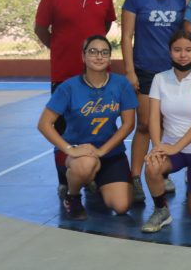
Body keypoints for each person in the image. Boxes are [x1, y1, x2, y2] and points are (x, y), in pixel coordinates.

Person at [34, 0, 116, 195]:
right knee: (63, 129)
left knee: (93, 125)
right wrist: (60, 49)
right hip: (64, 74)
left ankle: (92, 172)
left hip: (96, 77)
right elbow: (40, 29)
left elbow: (105, 26)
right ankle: (64, 179)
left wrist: (93, 56)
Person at [36, 35, 137, 219]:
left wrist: (102, 150)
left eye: (104, 52)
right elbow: (44, 124)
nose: (99, 56)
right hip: (80, 153)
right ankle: (73, 197)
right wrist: (70, 150)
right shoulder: (68, 87)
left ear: (109, 58)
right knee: (85, 165)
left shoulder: (121, 84)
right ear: (83, 57)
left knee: (122, 206)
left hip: (111, 153)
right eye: (93, 52)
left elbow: (129, 124)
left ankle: (96, 181)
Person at [121, 0, 187, 202]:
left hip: (172, 72)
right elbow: (126, 37)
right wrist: (129, 71)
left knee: (167, 125)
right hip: (145, 70)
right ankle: (135, 177)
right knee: (146, 124)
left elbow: (184, 37)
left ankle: (162, 171)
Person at [141, 29, 191, 233]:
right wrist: (157, 146)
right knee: (152, 166)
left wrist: (176, 147)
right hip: (172, 148)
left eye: (188, 50)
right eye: (177, 50)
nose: (183, 55)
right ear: (170, 52)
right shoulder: (160, 79)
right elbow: (154, 117)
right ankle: (161, 210)